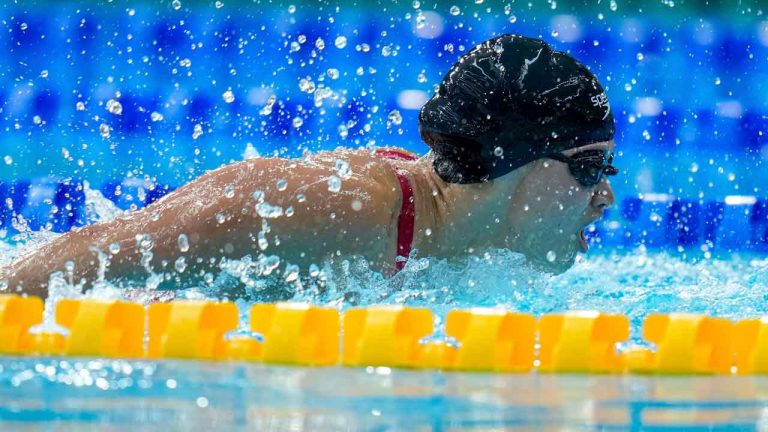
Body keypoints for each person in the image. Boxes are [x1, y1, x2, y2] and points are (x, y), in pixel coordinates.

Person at [0, 34, 617, 299]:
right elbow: (46, 275)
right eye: (591, 170)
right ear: (513, 163)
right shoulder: (334, 206)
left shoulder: (461, 248)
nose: (605, 198)